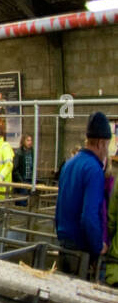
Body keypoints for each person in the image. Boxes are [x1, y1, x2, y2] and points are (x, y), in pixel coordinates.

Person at [55, 112, 111, 280]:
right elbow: (88, 216)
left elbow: (59, 206)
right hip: (81, 251)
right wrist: (97, 246)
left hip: (64, 245)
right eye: (107, 145)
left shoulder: (69, 164)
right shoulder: (94, 170)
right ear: (101, 143)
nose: (107, 150)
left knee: (64, 300)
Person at [12, 134, 35, 205]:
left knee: (29, 200)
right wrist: (21, 180)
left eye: (30, 140)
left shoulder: (32, 152)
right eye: (28, 140)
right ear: (23, 141)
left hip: (30, 179)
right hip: (22, 179)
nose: (29, 142)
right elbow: (15, 168)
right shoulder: (19, 153)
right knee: (21, 201)